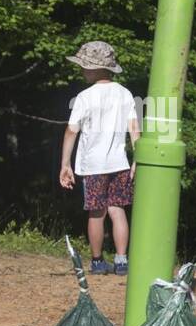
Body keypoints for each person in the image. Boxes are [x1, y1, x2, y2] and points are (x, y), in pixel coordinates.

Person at [59, 41, 139, 275]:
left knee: (96, 212)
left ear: (95, 69)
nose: (81, 70)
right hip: (120, 163)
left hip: (92, 165)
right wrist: (137, 159)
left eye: (84, 67)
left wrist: (65, 164)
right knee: (117, 210)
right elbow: (134, 129)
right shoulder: (125, 94)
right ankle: (122, 260)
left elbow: (71, 130)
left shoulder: (84, 96)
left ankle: (97, 261)